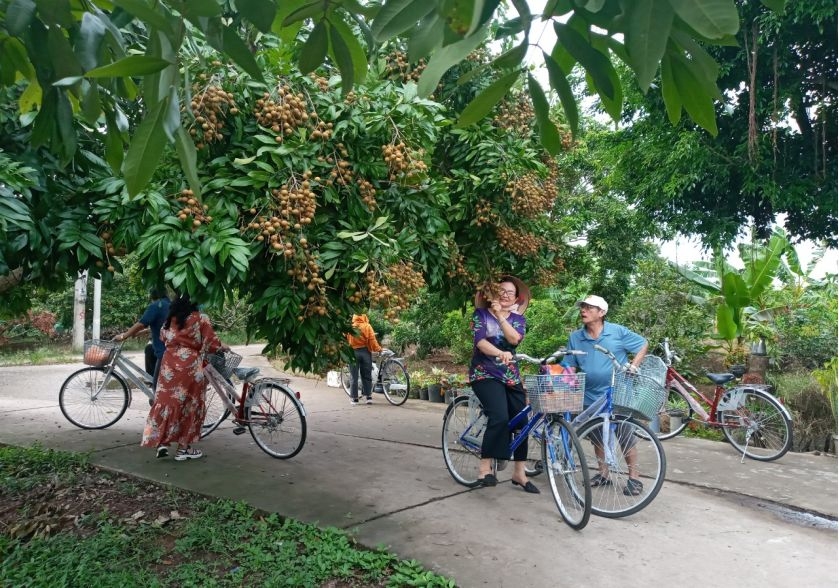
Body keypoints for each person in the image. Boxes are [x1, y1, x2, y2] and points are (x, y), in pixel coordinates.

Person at [561, 294, 649, 496]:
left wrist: (634, 366)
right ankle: (603, 474)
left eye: (589, 308)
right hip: (589, 395)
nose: (583, 310)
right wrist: (565, 383)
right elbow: (569, 365)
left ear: (601, 312)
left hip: (618, 393)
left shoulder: (617, 331)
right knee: (597, 436)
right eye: (582, 307)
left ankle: (634, 478)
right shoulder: (576, 337)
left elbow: (642, 343)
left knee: (625, 434)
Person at [469, 275, 539, 493]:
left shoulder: (518, 320)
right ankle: (484, 469)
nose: (506, 295)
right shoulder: (480, 315)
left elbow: (514, 340)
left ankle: (519, 473)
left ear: (517, 298)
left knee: (522, 422)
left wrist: (500, 315)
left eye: (510, 293)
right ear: (492, 294)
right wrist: (500, 353)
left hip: (510, 375)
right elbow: (480, 343)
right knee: (499, 416)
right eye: (501, 291)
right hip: (484, 373)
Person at [140, 293, 229, 460]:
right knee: (190, 406)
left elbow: (162, 336)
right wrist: (222, 346)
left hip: (169, 364)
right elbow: (211, 343)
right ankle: (183, 449)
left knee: (166, 402)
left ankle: (161, 442)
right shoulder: (200, 318)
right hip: (190, 366)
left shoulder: (170, 319)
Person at [114, 287, 170, 389]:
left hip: (164, 350)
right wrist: (138, 333)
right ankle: (151, 378)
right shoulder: (169, 304)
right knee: (149, 349)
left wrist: (124, 336)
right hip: (170, 347)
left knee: (157, 387)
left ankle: (154, 385)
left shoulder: (157, 305)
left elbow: (141, 323)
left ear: (152, 296)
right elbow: (160, 325)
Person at [346, 313, 382, 405]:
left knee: (354, 376)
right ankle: (368, 397)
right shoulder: (367, 326)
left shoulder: (350, 327)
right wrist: (378, 349)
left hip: (352, 352)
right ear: (364, 317)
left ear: (354, 317)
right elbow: (372, 340)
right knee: (366, 375)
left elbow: (345, 338)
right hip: (365, 352)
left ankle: (354, 398)